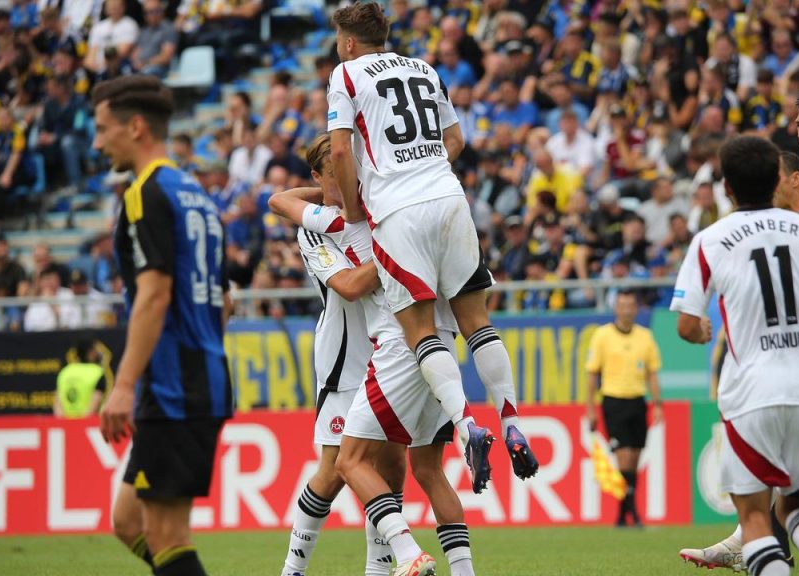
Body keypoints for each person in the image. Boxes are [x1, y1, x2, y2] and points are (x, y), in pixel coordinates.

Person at [327, 2, 538, 497]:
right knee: (477, 321)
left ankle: (467, 426)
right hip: (449, 199)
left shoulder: (346, 74)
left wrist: (359, 208)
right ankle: (510, 419)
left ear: (350, 42)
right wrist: (422, 167)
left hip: (400, 214)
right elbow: (457, 141)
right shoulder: (424, 68)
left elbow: (339, 150)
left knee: (421, 329)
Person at [670, 135, 799, 576]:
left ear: (727, 187)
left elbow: (687, 325)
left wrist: (701, 330)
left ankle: (796, 559)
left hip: (752, 393)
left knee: (755, 518)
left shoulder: (711, 239)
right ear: (775, 181)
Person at [270, 134, 478, 576]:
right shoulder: (317, 227)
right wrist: (396, 257)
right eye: (336, 173)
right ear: (318, 176)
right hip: (346, 359)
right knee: (334, 469)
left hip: (397, 347)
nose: (350, 179)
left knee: (393, 468)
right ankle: (293, 569)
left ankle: (381, 569)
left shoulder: (382, 209)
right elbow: (345, 284)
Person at [92, 75, 232, 576]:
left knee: (168, 534)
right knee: (128, 521)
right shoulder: (194, 194)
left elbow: (154, 294)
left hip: (175, 386)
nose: (96, 141)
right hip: (200, 376)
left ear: (135, 127)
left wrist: (124, 385)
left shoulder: (143, 195)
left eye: (103, 128)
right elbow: (225, 299)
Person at [585, 290, 662, 528]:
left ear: (636, 309)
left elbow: (652, 374)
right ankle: (635, 514)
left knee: (635, 460)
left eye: (630, 305)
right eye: (622, 305)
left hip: (638, 402)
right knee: (624, 458)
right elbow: (591, 374)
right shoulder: (602, 336)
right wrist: (591, 409)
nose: (626, 310)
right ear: (616, 309)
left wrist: (658, 404)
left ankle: (621, 514)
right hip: (613, 401)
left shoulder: (645, 337)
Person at [53, 339, 108, 418]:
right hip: (89, 426)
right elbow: (94, 406)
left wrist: (65, 423)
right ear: (90, 353)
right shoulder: (97, 372)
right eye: (96, 350)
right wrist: (80, 424)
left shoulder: (65, 371)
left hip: (65, 425)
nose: (98, 353)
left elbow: (57, 406)